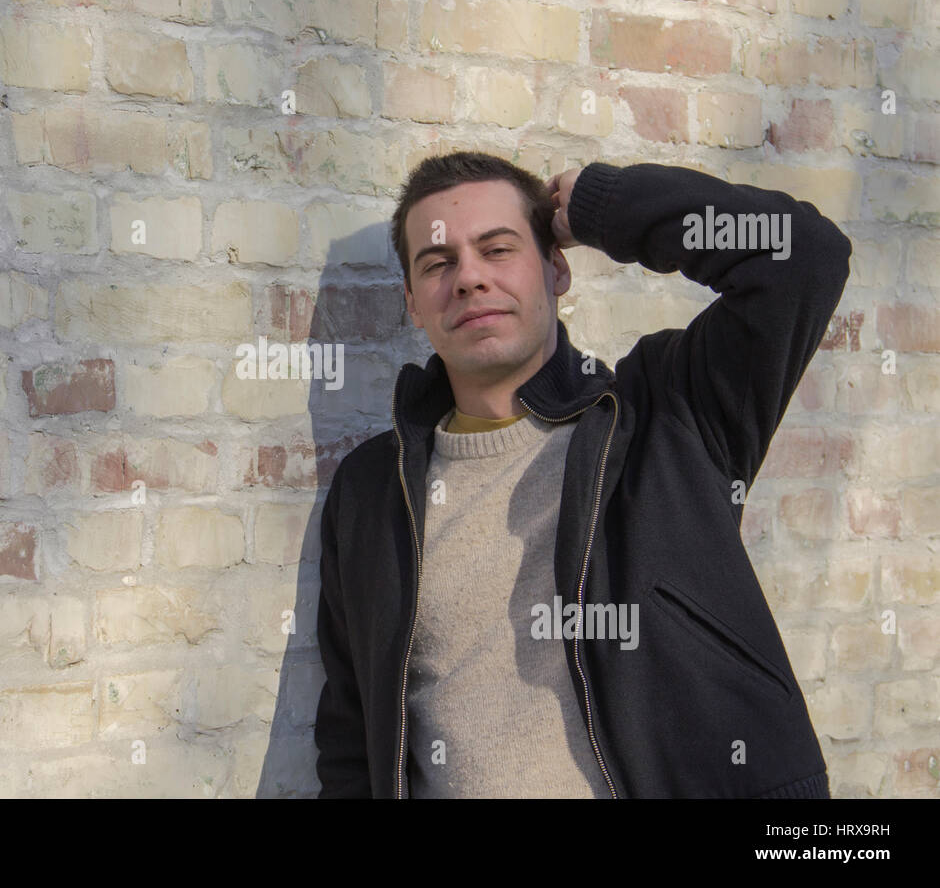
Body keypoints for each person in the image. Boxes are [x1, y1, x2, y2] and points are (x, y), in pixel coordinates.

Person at [313, 152, 849, 797]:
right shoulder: (374, 489)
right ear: (413, 304)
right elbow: (351, 730)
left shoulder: (667, 416)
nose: (469, 279)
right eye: (438, 262)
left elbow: (802, 256)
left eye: (499, 249)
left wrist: (606, 205)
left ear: (557, 267)